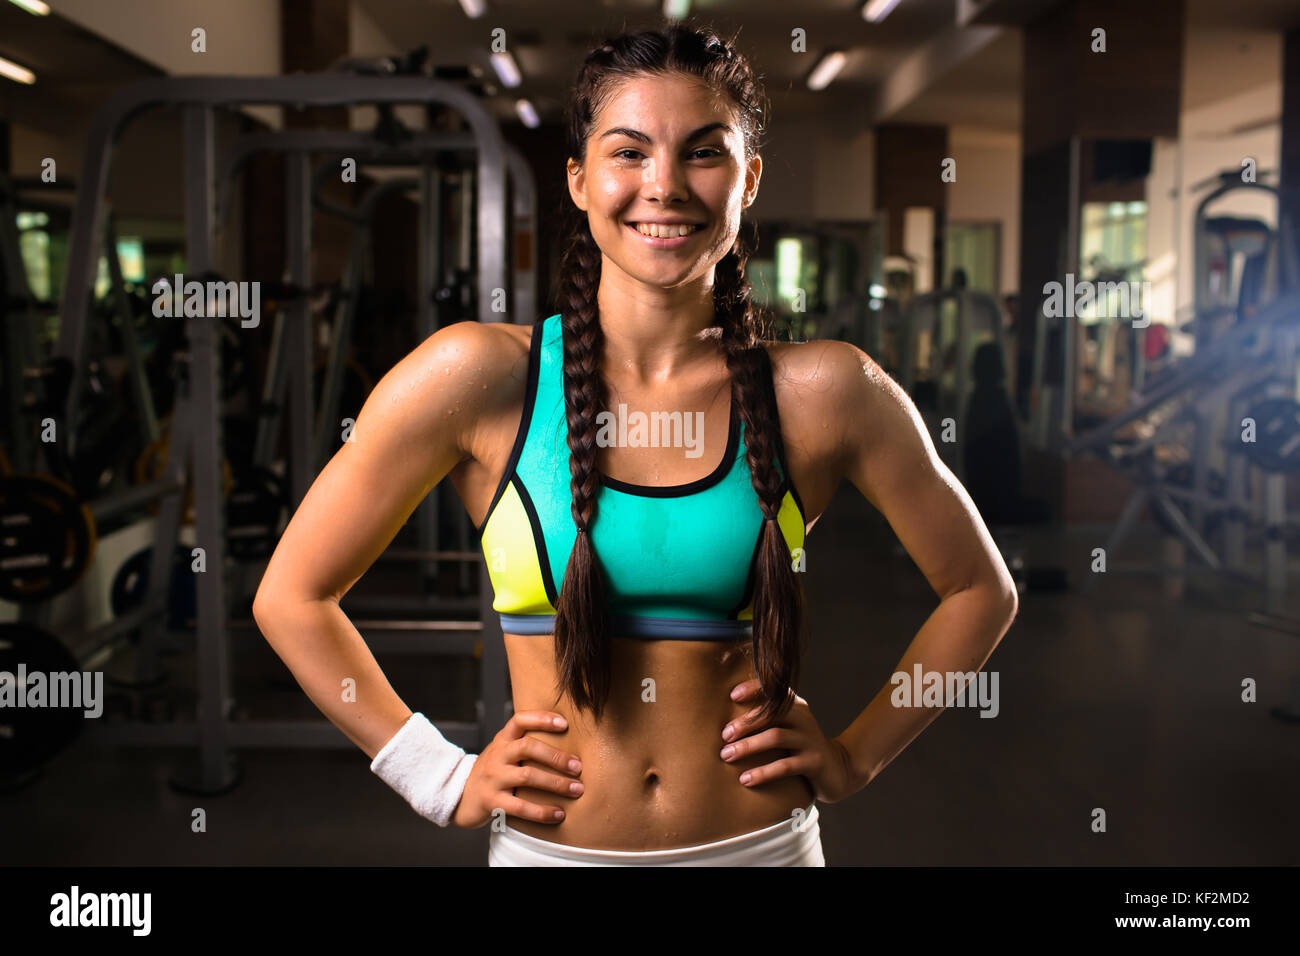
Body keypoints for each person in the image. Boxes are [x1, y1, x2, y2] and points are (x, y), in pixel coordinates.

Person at [253, 23, 1018, 867]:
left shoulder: (825, 392)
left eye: (703, 152)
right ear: (579, 179)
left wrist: (855, 756)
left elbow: (980, 592)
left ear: (748, 180)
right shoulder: (476, 377)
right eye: (628, 152)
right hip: (554, 857)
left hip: (760, 849)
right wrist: (436, 776)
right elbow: (291, 596)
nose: (665, 185)